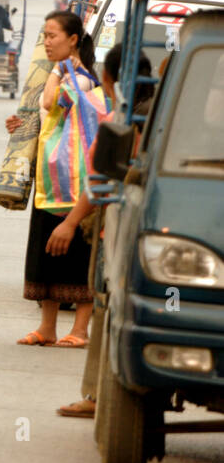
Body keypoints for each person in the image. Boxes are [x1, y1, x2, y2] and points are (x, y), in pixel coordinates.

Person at [57, 43, 154, 419]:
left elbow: (99, 180)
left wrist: (68, 222)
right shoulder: (164, 114)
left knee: (107, 311)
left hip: (118, 233)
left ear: (110, 77)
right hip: (148, 238)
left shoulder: (124, 119)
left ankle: (97, 397)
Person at [7, 11, 103, 349]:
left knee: (79, 255)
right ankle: (47, 327)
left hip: (75, 182)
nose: (47, 42)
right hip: (51, 179)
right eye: (45, 36)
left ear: (73, 40)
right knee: (46, 251)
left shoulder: (81, 78)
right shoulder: (60, 72)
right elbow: (51, 121)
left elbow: (50, 102)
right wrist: (23, 126)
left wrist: (58, 72)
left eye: (53, 36)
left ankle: (79, 330)